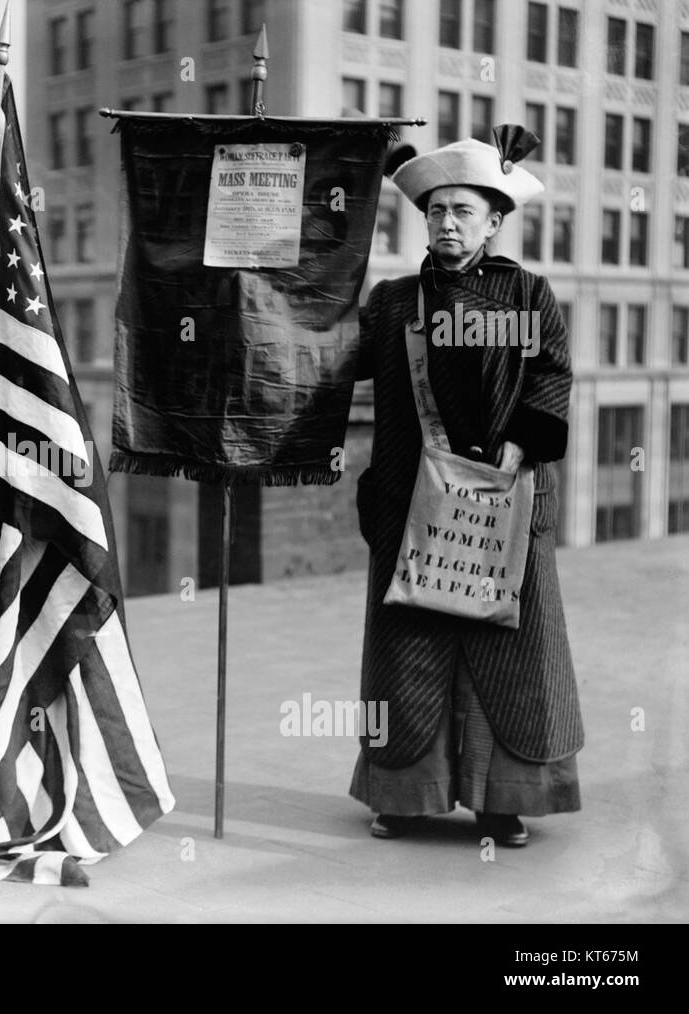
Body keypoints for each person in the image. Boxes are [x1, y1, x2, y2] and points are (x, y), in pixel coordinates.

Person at [350, 126, 582, 847]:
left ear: (495, 221)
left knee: (504, 650)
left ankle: (501, 801)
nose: (447, 224)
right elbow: (337, 364)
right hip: (408, 501)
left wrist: (518, 445)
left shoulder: (524, 294)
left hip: (503, 499)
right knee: (410, 645)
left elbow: (550, 378)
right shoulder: (393, 304)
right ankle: (404, 795)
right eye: (436, 212)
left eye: (463, 212)